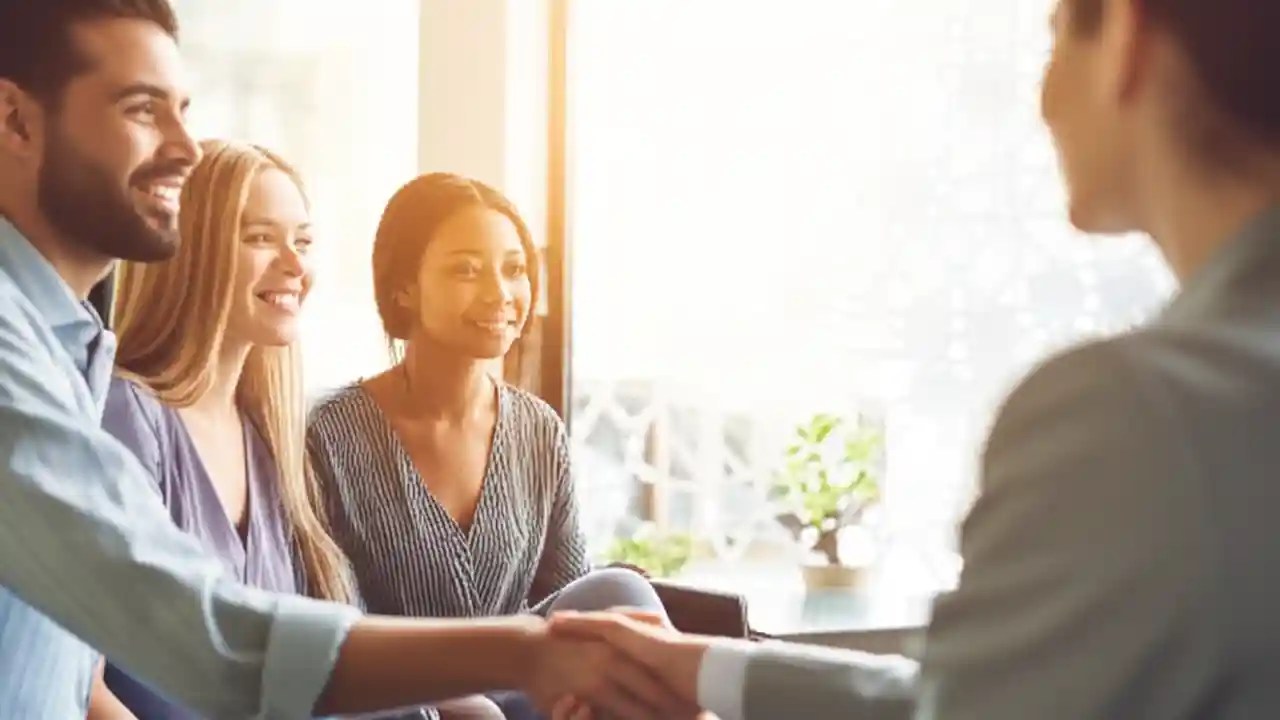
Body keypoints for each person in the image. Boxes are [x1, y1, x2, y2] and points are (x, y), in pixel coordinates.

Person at [548, 0, 1280, 718]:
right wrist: (704, 672)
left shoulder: (1134, 415)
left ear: (1126, 34)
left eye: (1056, 37)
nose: (1044, 99)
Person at [0, 2, 691, 718]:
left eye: (183, 111)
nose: (184, 149)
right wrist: (519, 655)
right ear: (16, 121)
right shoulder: (72, 383)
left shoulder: (105, 364)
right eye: (142, 110)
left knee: (619, 601)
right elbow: (204, 647)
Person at [307, 172, 672, 718]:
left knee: (619, 594)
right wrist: (455, 700)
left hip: (514, 691)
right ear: (404, 285)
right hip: (390, 701)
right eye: (466, 270)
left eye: (514, 269)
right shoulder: (329, 435)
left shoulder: (538, 431)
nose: (500, 293)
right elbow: (328, 630)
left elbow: (569, 605)